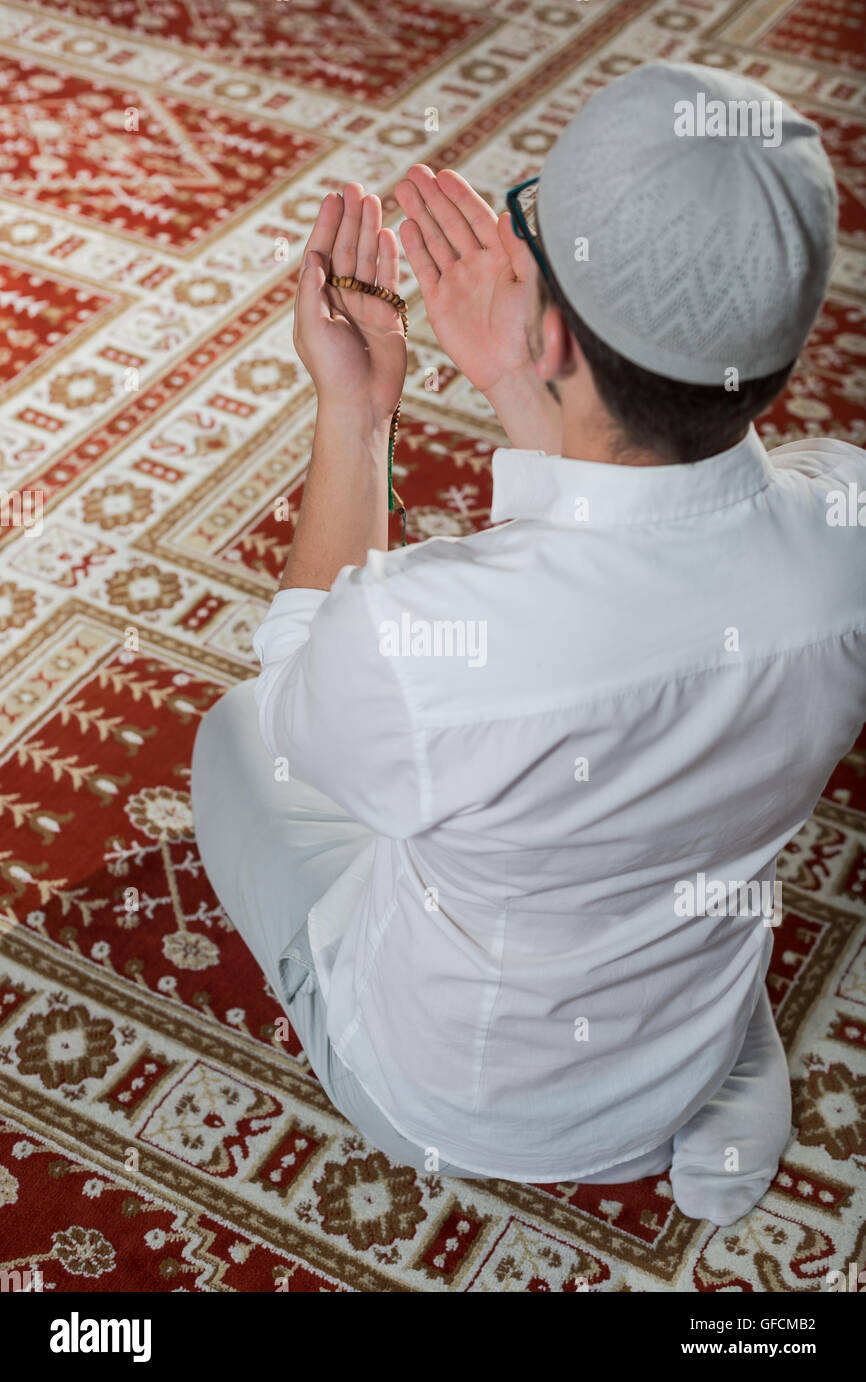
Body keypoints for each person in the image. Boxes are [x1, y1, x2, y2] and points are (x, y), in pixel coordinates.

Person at [191, 61, 866, 1226]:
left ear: (552, 327)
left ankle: (710, 1065)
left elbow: (308, 694)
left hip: (447, 1103)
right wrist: (522, 376)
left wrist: (354, 409)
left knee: (241, 736)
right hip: (675, 1047)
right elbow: (650, 548)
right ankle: (723, 1067)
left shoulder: (421, 637)